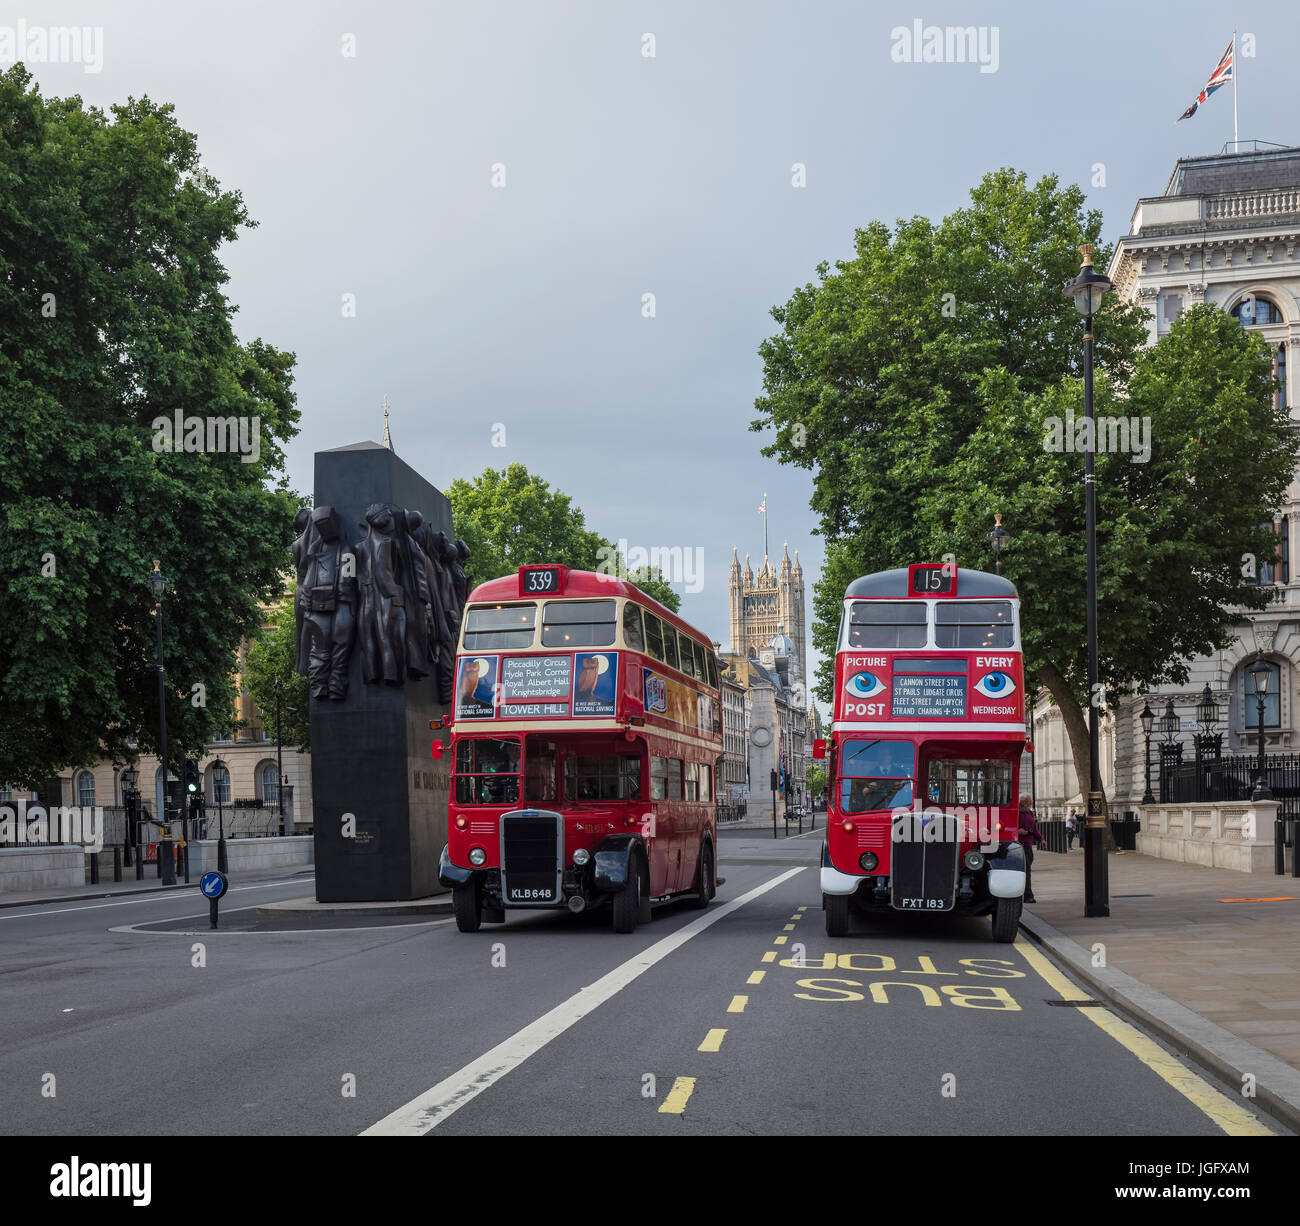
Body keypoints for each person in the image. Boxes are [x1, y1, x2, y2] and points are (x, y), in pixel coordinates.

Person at [1017, 794, 1046, 903]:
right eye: (1029, 802)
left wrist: (1041, 839)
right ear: (1022, 802)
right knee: (1025, 870)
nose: (1030, 803)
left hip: (1027, 845)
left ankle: (1025, 894)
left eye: (1031, 802)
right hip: (1019, 845)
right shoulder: (1017, 812)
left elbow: (1034, 829)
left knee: (1026, 870)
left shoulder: (1029, 812)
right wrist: (1017, 831)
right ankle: (1028, 895)